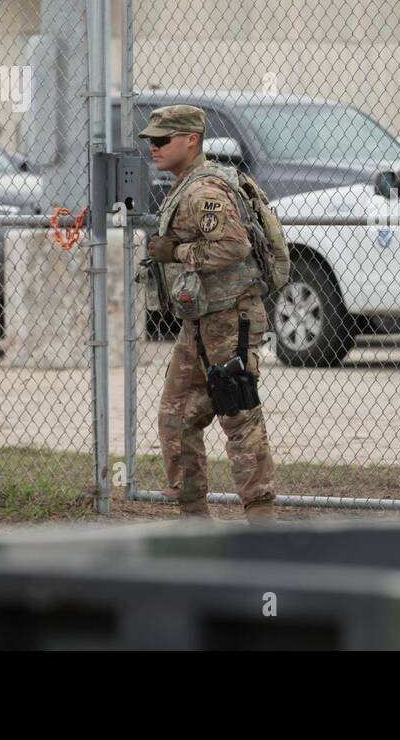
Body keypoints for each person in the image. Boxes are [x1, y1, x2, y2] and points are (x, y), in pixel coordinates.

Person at [140, 104, 277, 523]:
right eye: (151, 140)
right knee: (177, 417)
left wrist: (177, 251)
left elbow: (233, 247)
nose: (154, 148)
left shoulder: (204, 192)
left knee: (237, 413)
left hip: (230, 318)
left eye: (163, 140)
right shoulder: (187, 186)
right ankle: (194, 523)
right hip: (201, 321)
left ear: (191, 140)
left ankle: (263, 526)